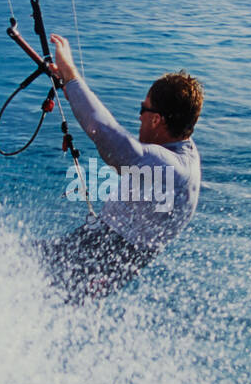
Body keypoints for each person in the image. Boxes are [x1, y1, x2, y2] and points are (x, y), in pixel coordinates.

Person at [36, 33, 202, 300]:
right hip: (98, 252)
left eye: (143, 109)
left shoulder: (173, 170)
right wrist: (72, 89)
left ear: (158, 120)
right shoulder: (181, 149)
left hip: (98, 259)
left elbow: (108, 136)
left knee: (4, 269)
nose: (139, 116)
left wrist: (72, 74)